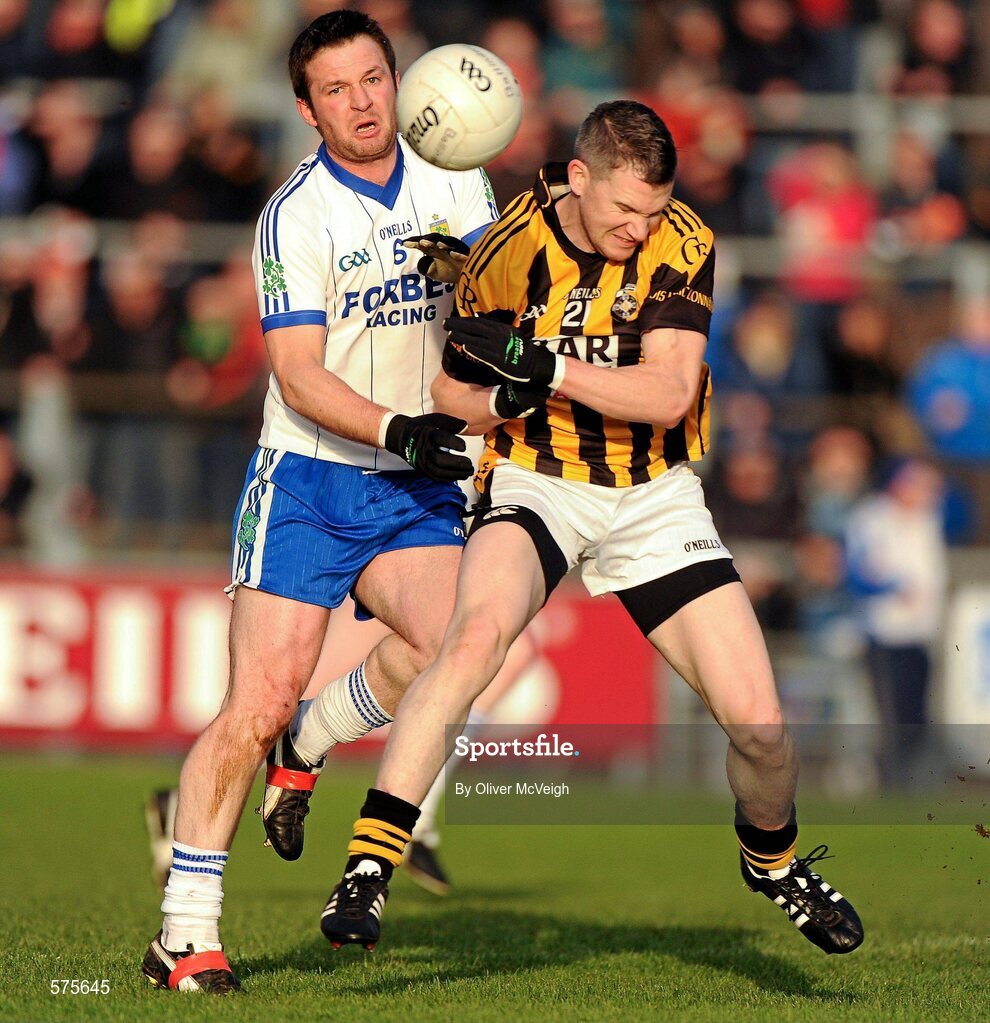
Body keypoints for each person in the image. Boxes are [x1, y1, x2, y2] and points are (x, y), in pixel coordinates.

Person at [319, 100, 864, 958]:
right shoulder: (506, 252)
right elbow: (453, 393)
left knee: (762, 728)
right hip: (540, 480)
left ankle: (775, 861)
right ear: (579, 178)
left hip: (653, 493)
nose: (639, 228)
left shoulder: (683, 241)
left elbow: (670, 392)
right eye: (623, 210)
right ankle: (368, 865)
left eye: (652, 210)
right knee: (471, 643)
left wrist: (548, 367)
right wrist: (504, 393)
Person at [141, 9, 501, 994]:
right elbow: (297, 374)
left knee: (456, 646)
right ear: (307, 110)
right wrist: (396, 427)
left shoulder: (458, 170)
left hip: (416, 475)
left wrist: (488, 306)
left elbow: (489, 311)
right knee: (253, 702)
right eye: (335, 91)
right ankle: (183, 933)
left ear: (399, 81)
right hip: (309, 477)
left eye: (372, 80)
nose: (361, 103)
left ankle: (315, 736)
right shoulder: (296, 216)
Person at [844, 456, 948, 787]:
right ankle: (892, 782)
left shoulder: (926, 521)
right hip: (885, 636)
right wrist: (895, 587)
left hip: (919, 635)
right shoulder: (872, 518)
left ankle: (912, 782)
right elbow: (858, 575)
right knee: (891, 718)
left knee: (916, 716)